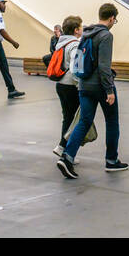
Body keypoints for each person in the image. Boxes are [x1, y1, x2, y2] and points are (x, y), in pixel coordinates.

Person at [57, 3, 126, 177]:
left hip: (84, 84)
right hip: (101, 86)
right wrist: (109, 90)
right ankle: (111, 160)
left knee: (84, 121)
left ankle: (67, 157)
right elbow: (104, 66)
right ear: (111, 18)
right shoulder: (105, 36)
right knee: (112, 121)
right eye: (114, 20)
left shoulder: (86, 33)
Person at [50, 16, 84, 159]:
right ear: (76, 30)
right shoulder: (76, 45)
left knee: (68, 118)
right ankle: (64, 149)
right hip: (71, 86)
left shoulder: (61, 43)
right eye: (81, 27)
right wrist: (80, 83)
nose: (83, 29)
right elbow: (76, 68)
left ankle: (63, 148)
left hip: (61, 84)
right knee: (77, 120)